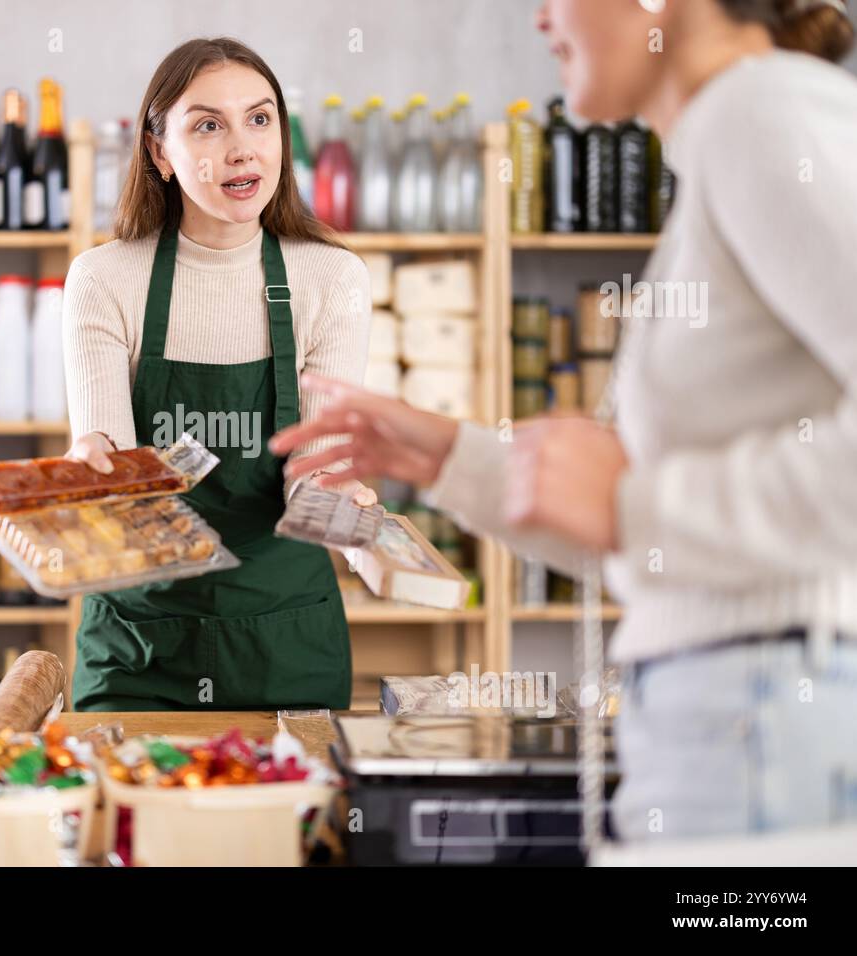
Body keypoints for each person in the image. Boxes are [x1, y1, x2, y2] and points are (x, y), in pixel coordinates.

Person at [272, 0, 857, 842]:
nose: (541, 20)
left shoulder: (763, 114)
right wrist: (450, 459)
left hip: (767, 716)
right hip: (740, 720)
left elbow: (633, 512)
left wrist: (638, 508)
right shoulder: (728, 142)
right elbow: (630, 526)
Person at [62, 37, 375, 712]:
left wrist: (352, 518)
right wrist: (93, 469)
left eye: (260, 120)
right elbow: (110, 459)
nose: (242, 149)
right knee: (129, 819)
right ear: (158, 153)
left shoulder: (333, 279)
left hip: (284, 640)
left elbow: (314, 474)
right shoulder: (104, 279)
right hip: (140, 643)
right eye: (208, 125)